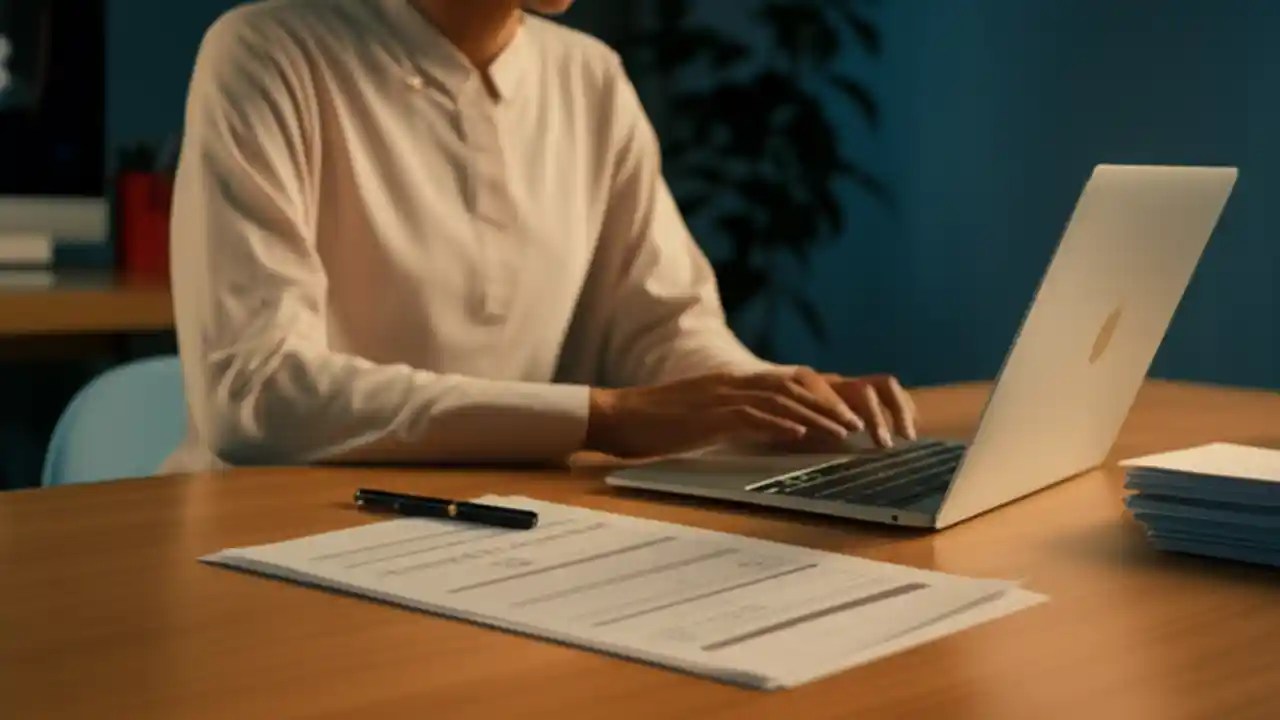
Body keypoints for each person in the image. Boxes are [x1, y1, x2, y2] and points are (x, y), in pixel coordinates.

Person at [160, 0, 918, 473]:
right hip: (264, 536)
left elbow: (667, 331)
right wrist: (603, 418)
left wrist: (768, 405)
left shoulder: (591, 78)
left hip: (491, 535)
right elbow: (255, 392)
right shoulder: (268, 52)